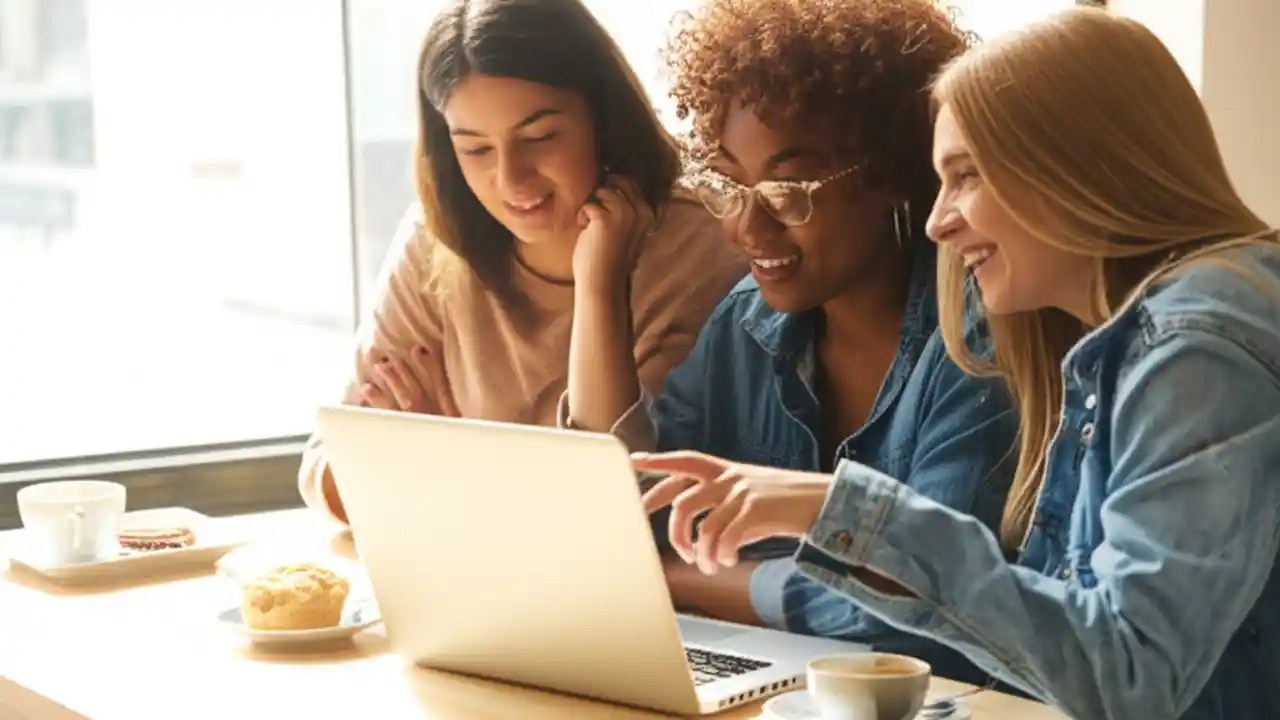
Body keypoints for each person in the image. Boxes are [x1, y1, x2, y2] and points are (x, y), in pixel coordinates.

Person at [635, 8, 1280, 720]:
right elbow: (1061, 646)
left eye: (966, 176)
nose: (939, 221)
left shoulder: (1195, 345)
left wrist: (844, 512)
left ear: (1076, 165)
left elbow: (1129, 679)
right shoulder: (1117, 346)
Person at [561, 0, 1017, 683]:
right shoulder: (748, 322)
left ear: (893, 169)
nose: (747, 226)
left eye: (786, 188)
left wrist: (674, 583)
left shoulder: (977, 337)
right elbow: (629, 518)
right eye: (727, 183)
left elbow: (919, 605)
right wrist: (597, 288)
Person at [298, 0, 744, 523]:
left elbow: (618, 497)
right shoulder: (435, 243)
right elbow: (325, 470)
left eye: (539, 137)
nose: (512, 180)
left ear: (601, 118)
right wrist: (433, 460)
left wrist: (599, 282)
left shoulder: (702, 246)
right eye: (476, 150)